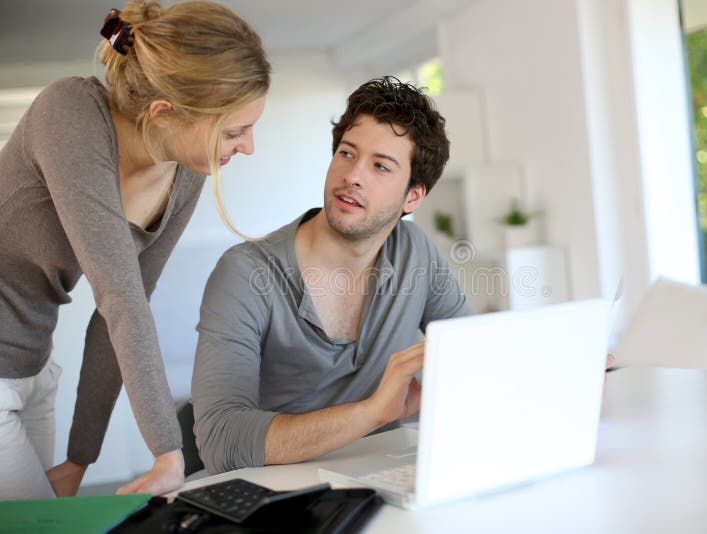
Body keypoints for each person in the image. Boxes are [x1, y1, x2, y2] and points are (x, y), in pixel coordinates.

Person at [0, 0, 270, 498]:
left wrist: (81, 456)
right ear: (164, 113)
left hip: (34, 366)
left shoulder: (185, 173)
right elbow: (119, 297)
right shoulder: (70, 114)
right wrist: (169, 452)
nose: (249, 146)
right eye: (234, 131)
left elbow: (122, 311)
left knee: (43, 520)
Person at [191, 77, 473, 474]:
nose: (353, 175)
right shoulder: (246, 273)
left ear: (412, 196)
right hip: (278, 495)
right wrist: (375, 412)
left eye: (380, 166)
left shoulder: (415, 251)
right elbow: (221, 441)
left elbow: (474, 356)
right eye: (346, 153)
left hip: (378, 482)